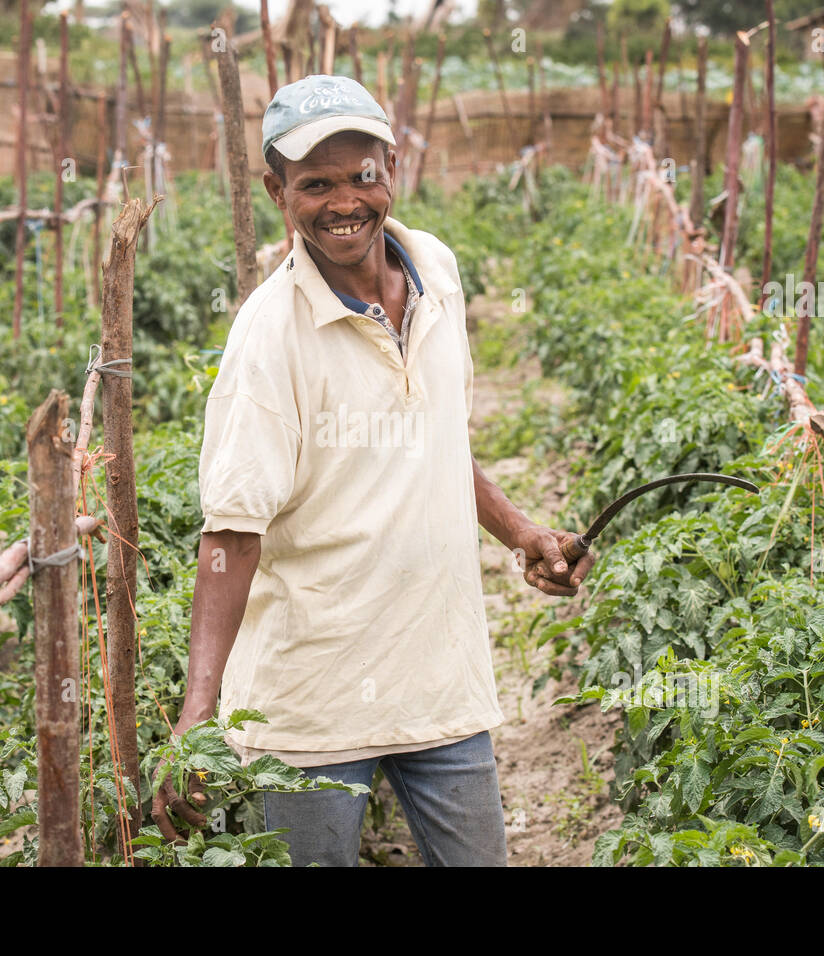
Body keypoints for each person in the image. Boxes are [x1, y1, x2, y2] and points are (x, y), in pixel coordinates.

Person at [152, 74, 594, 866]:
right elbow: (231, 534)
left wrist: (521, 532)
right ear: (276, 191)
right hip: (313, 703)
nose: (345, 201)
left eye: (362, 176)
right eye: (315, 184)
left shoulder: (438, 272)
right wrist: (199, 710)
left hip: (441, 681)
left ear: (392, 167)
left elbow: (435, 439)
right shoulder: (269, 340)